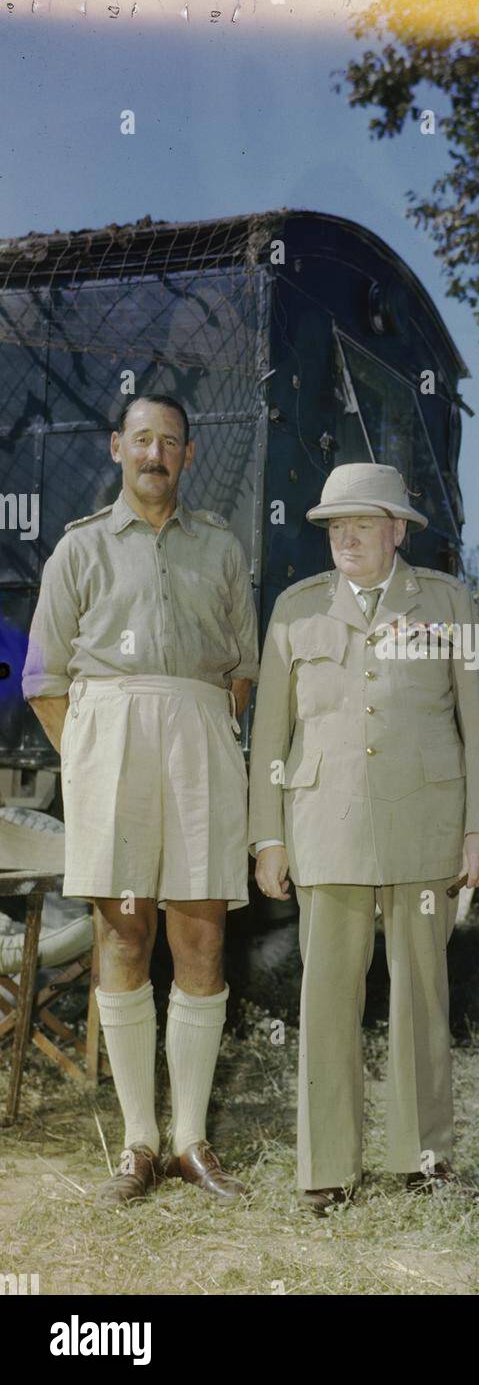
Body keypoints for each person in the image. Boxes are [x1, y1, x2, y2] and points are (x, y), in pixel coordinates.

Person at [248, 462, 479, 1214]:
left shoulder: (448, 604)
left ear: (397, 530)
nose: (348, 537)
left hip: (425, 824)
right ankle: (327, 1168)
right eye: (337, 525)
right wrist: (267, 836)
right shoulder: (296, 609)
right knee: (327, 994)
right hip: (324, 826)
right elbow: (270, 734)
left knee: (422, 993)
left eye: (363, 523)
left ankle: (423, 1159)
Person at [22, 394, 258, 1207]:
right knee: (123, 934)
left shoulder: (220, 546)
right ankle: (138, 1145)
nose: (157, 453)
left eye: (172, 442)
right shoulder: (79, 548)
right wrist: (92, 761)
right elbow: (43, 678)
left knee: (201, 935)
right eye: (143, 439)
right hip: (109, 743)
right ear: (117, 447)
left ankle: (190, 1140)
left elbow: (242, 670)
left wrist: (199, 735)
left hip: (199, 741)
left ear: (189, 456)